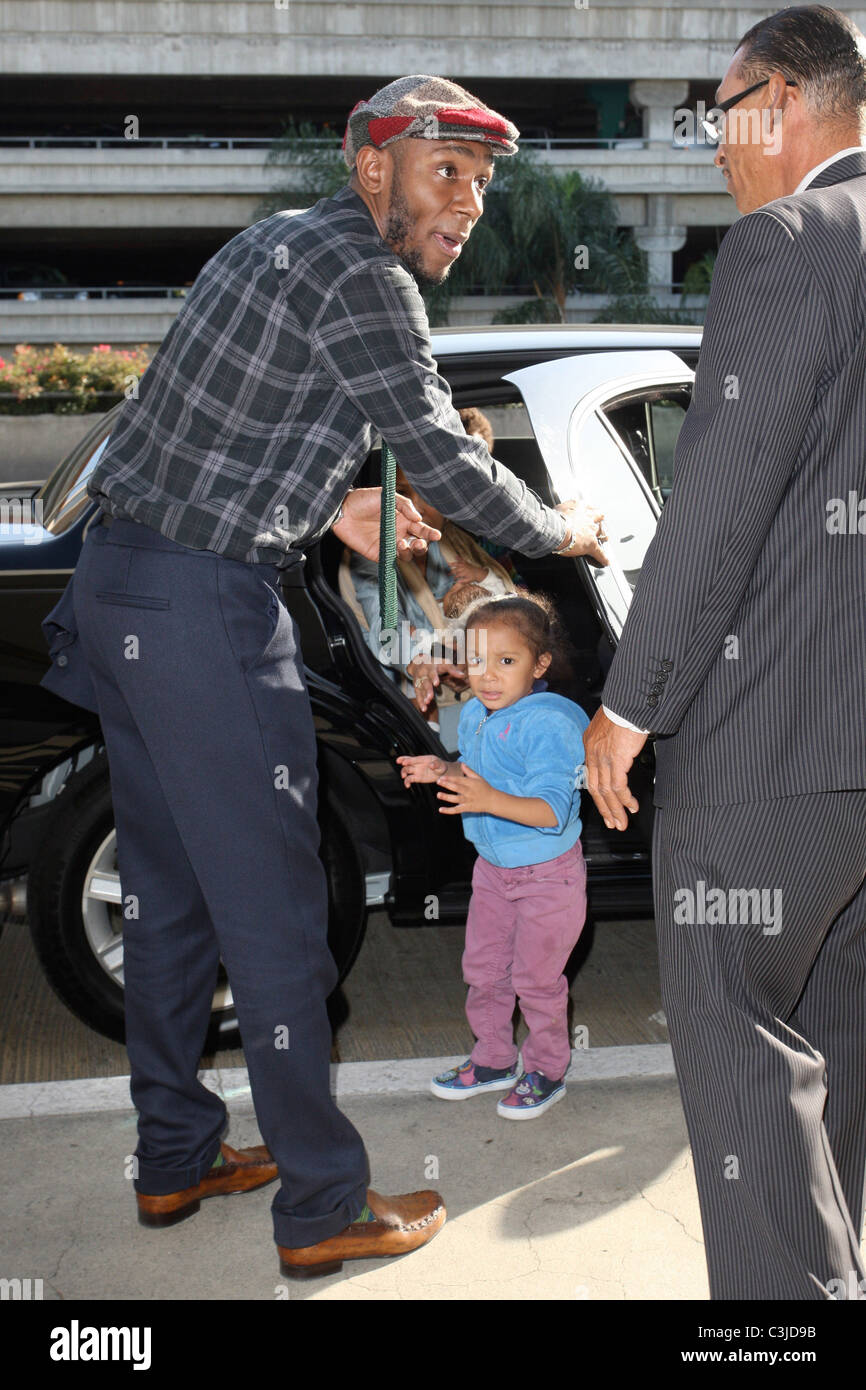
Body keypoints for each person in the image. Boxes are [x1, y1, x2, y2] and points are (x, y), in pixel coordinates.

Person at [39, 74, 607, 1280]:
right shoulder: (367, 274)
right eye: (444, 171)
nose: (468, 203)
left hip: (122, 587)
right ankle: (320, 1207)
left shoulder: (273, 246)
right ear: (371, 168)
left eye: (481, 182)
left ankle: (175, 1154)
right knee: (280, 914)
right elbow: (444, 457)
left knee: (170, 893)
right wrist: (559, 532)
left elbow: (225, 423)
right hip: (202, 608)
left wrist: (325, 506)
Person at [583, 6, 866, 1299]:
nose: (710, 147)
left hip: (769, 755)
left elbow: (718, 502)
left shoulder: (788, 240)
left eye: (721, 111)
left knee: (753, 1081)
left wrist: (627, 705)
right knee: (836, 1069)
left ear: (788, 100)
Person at [397, 592, 589, 1119]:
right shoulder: (482, 715)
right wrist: (443, 769)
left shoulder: (549, 723)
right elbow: (481, 776)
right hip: (493, 872)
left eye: (506, 662)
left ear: (540, 664)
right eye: (477, 660)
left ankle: (547, 1071)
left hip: (548, 878)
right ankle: (493, 1060)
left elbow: (551, 809)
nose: (488, 676)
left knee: (536, 980)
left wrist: (484, 799)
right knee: (484, 971)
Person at [343, 462, 515, 742]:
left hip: (473, 679)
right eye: (402, 493)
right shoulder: (373, 551)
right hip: (414, 693)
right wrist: (418, 659)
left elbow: (504, 600)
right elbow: (385, 626)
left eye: (430, 495)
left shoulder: (455, 543)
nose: (417, 508)